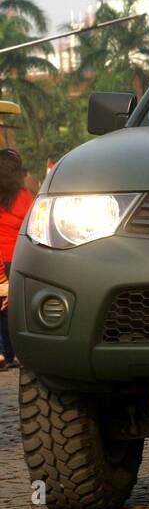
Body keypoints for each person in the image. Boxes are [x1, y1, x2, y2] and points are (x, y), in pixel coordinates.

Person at [0, 148, 34, 368]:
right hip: (17, 259)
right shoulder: (26, 198)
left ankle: (2, 352)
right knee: (14, 308)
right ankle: (13, 353)